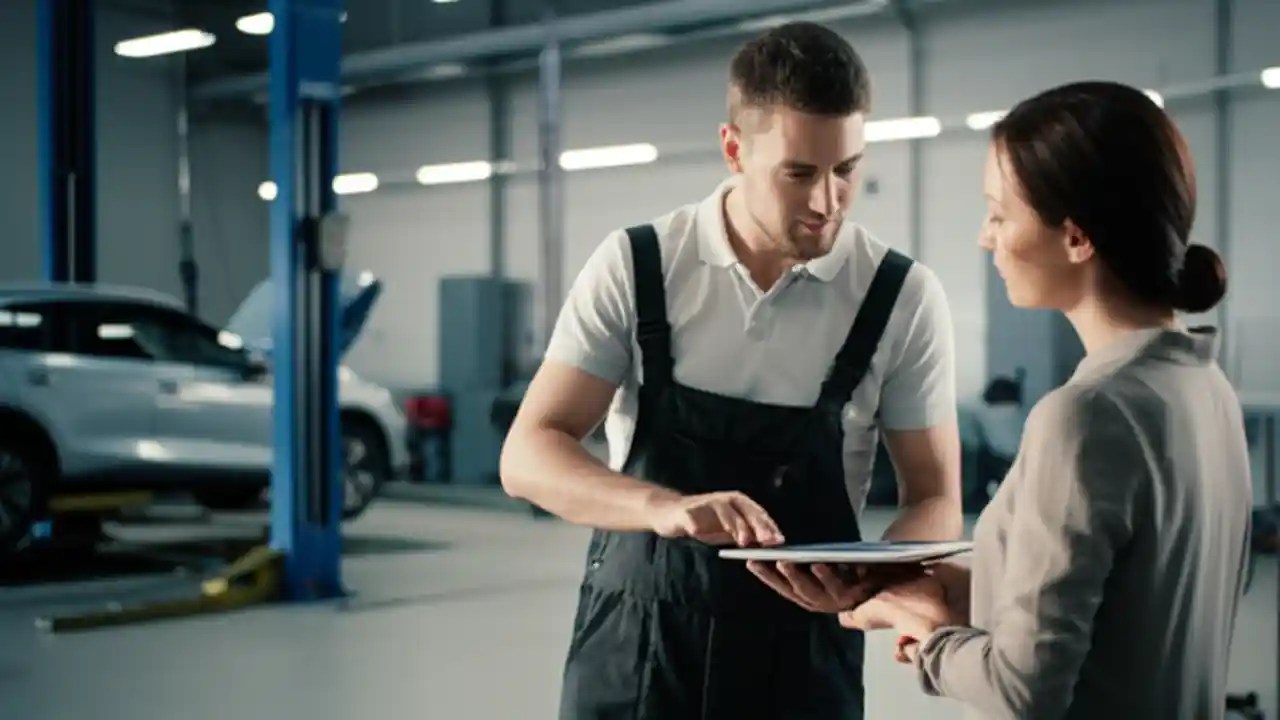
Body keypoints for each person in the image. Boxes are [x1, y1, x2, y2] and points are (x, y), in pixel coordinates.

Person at [499, 21, 963, 720]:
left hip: (801, 660)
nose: (827, 202)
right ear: (733, 150)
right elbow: (529, 454)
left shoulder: (900, 297)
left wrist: (872, 575)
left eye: (847, 170)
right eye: (799, 174)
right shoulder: (640, 266)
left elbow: (933, 493)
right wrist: (664, 508)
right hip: (634, 649)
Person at [840, 80, 1254, 719]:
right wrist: (961, 591)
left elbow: (1023, 692)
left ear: (1077, 238)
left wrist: (929, 634)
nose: (986, 237)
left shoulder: (1086, 415)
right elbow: (1136, 605)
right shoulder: (1203, 386)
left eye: (999, 214)